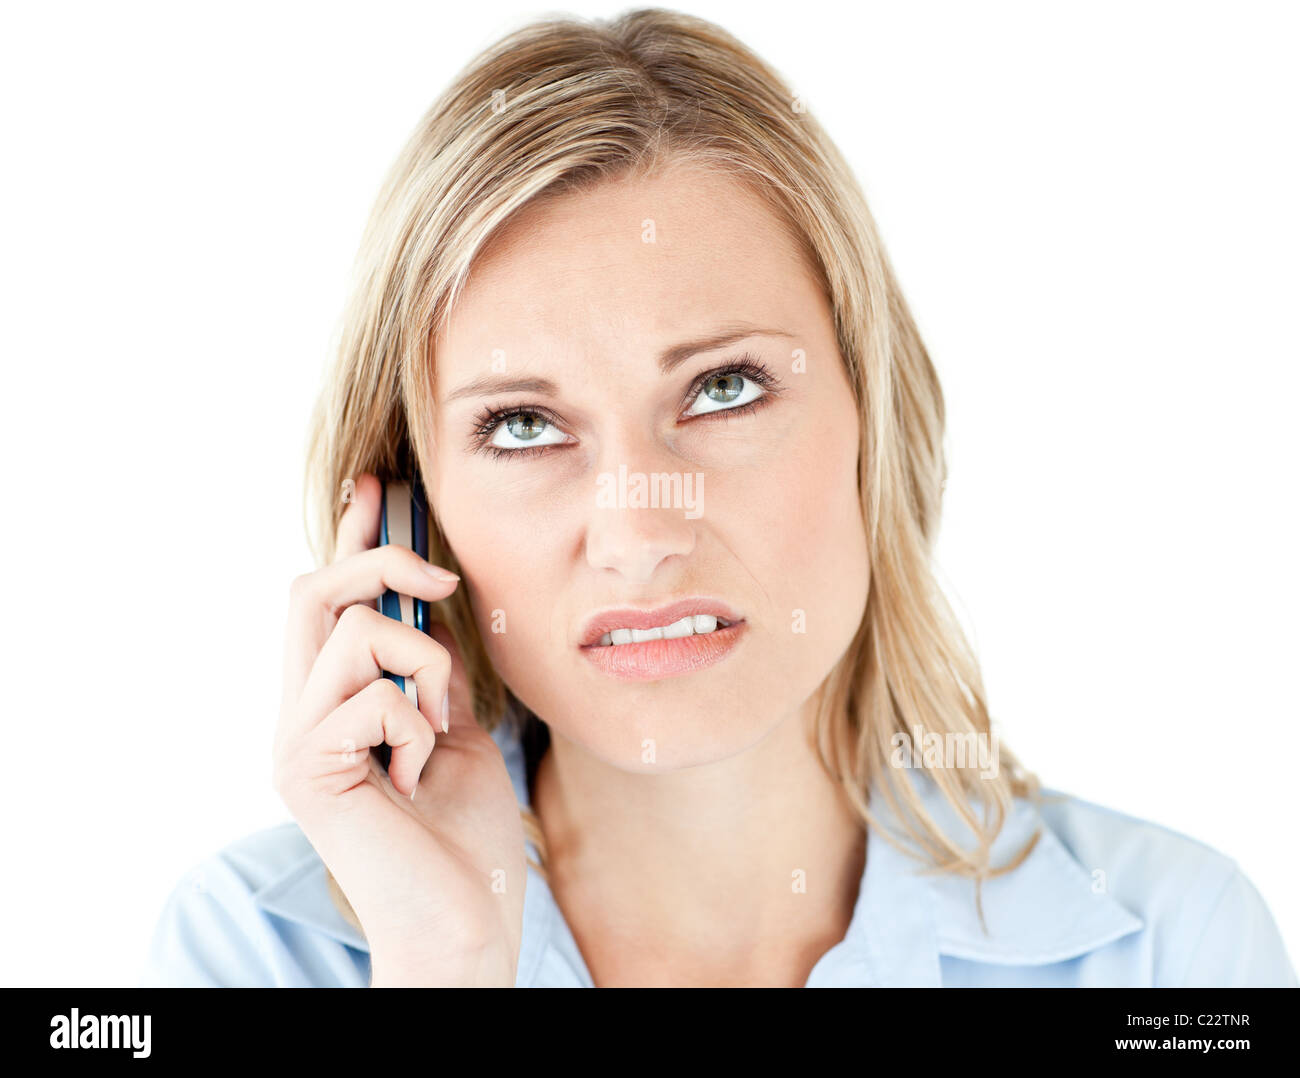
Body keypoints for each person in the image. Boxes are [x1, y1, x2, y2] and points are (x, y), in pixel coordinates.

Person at [141, 9, 1296, 988]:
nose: (639, 533)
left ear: (870, 418)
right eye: (524, 425)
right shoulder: (253, 949)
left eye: (725, 388)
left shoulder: (1172, 949)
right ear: (410, 513)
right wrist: (444, 959)